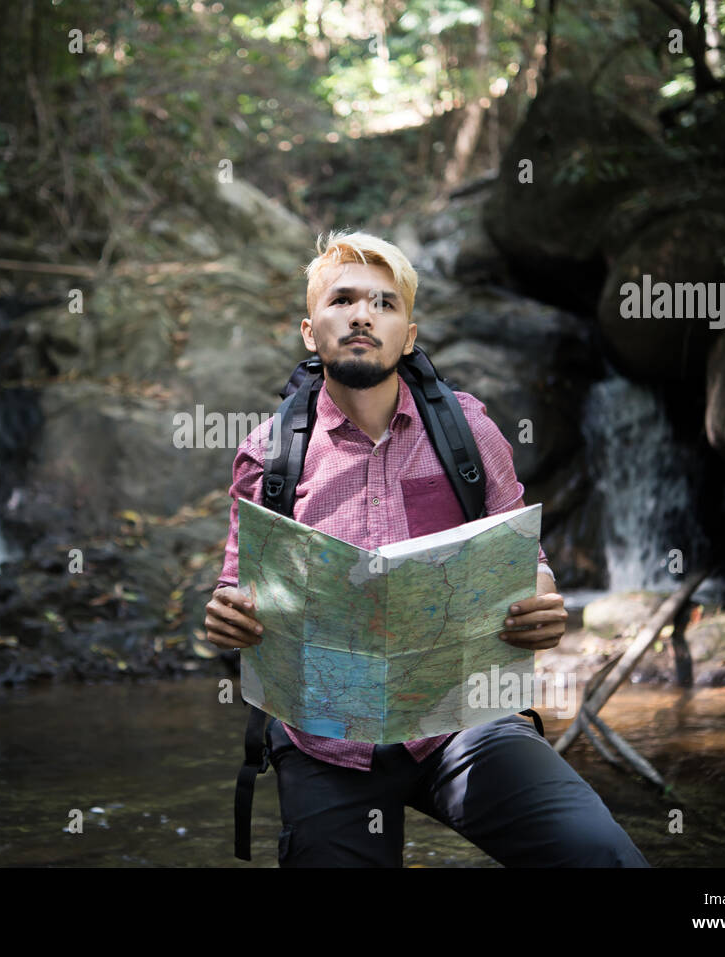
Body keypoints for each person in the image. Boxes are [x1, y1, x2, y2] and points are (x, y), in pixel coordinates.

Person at [204, 230, 649, 867]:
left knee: (598, 853)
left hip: (464, 723)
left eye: (385, 304)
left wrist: (543, 606)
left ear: (408, 336)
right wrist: (229, 616)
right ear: (310, 330)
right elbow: (234, 592)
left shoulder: (469, 431)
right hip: (327, 741)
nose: (363, 315)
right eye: (344, 300)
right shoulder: (271, 452)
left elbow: (530, 569)